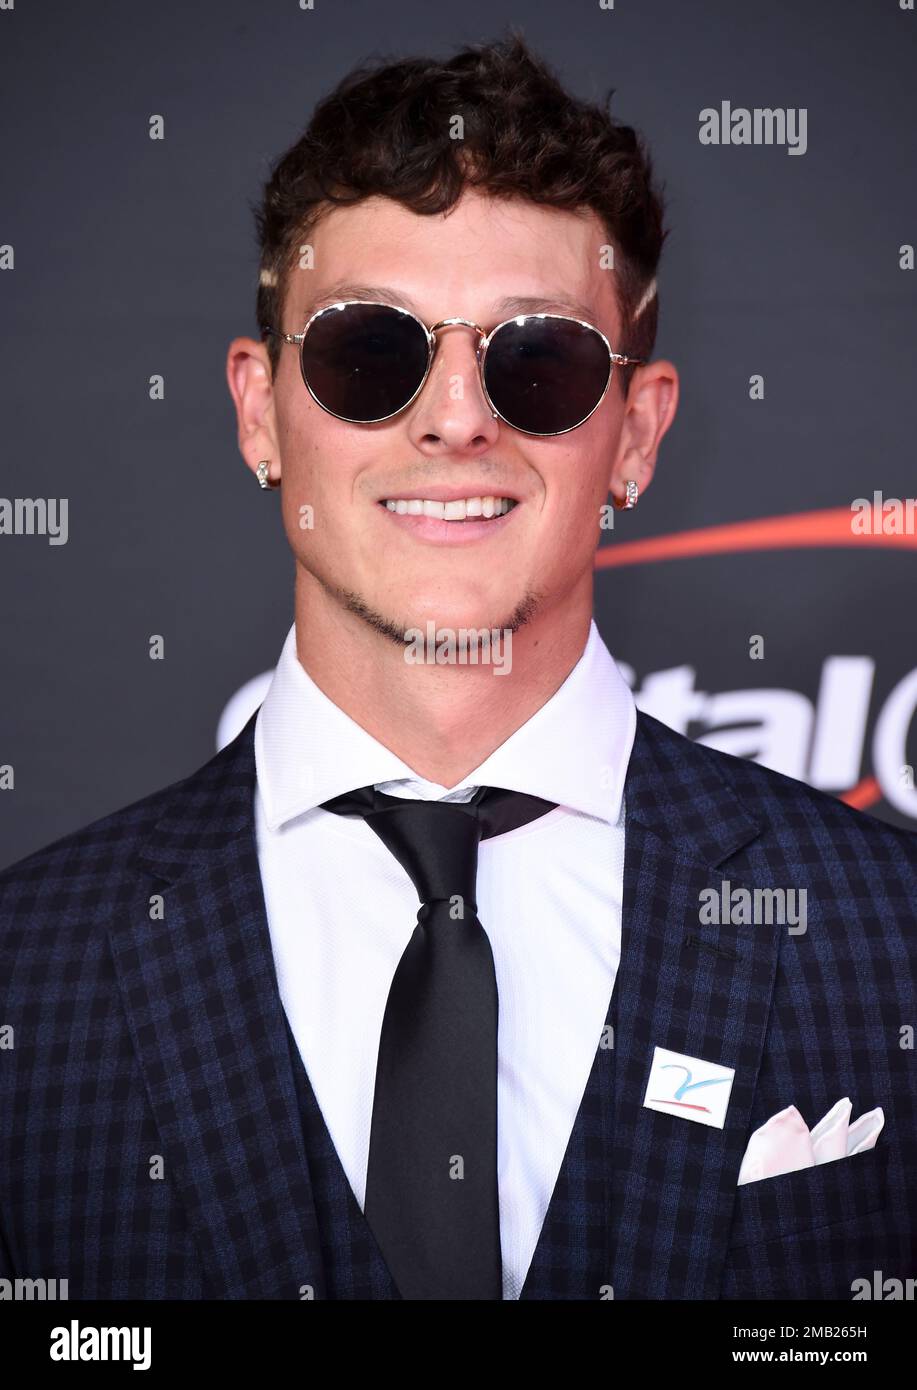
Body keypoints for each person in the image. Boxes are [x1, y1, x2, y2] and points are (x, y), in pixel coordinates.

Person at [1, 31, 914, 1302]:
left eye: (536, 361)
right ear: (261, 410)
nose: (452, 416)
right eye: (368, 352)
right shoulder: (27, 968)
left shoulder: (890, 931)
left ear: (636, 436)